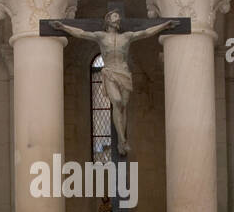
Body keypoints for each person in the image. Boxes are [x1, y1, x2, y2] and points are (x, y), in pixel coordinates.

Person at [50, 9, 174, 156]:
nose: (118, 19)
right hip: (109, 72)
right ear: (108, 20)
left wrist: (164, 26)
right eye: (115, 16)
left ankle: (121, 142)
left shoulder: (127, 37)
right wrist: (64, 27)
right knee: (117, 100)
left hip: (124, 74)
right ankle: (122, 140)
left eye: (119, 17)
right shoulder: (101, 37)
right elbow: (81, 33)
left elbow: (146, 32)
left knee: (122, 107)